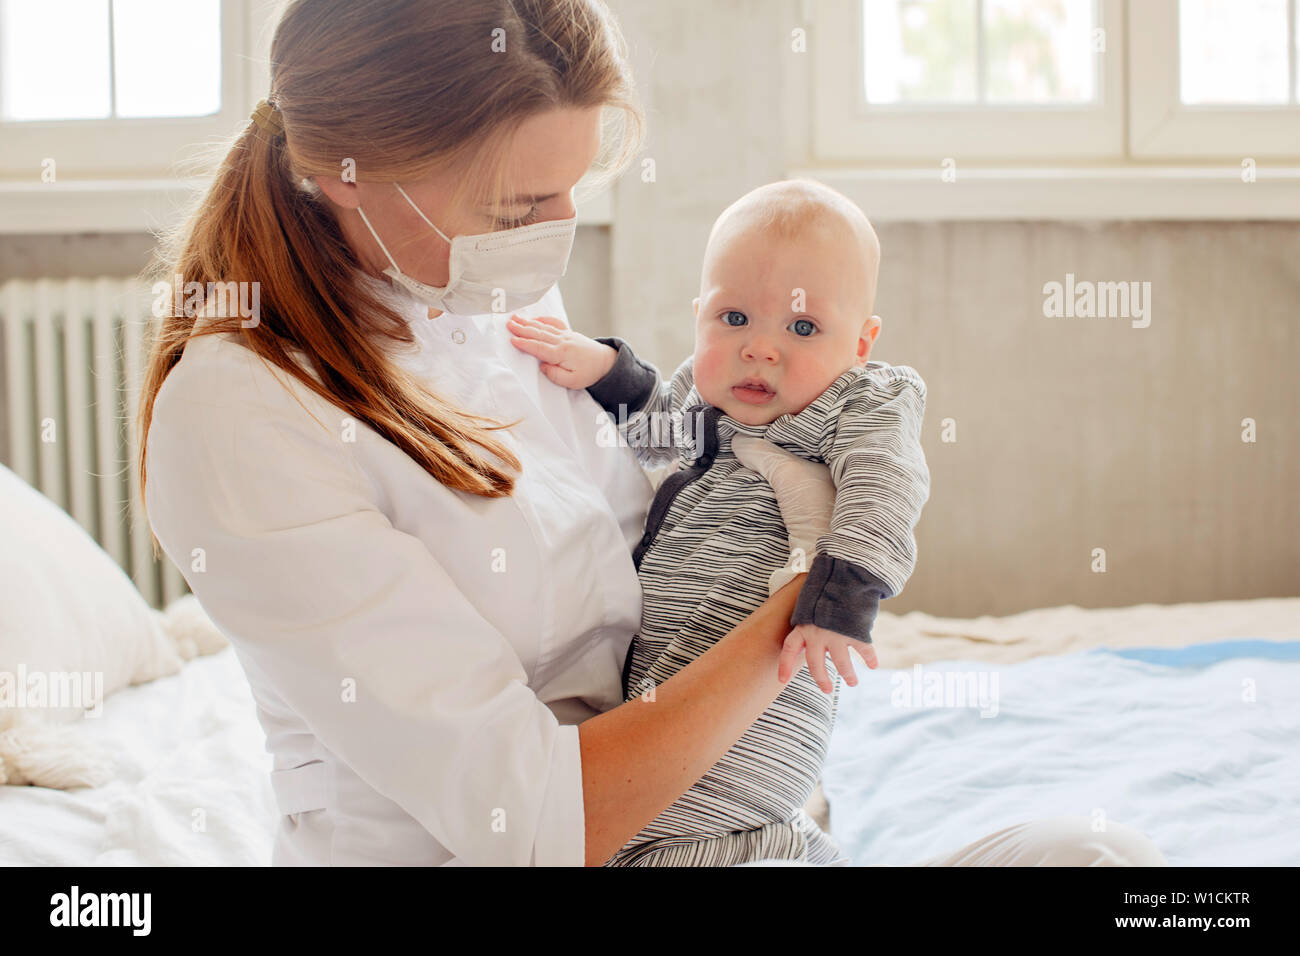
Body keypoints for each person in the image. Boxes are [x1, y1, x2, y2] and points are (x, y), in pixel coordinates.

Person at [136, 0, 1166, 867]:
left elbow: (654, 488)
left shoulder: (473, 300)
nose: (555, 225)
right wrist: (803, 603)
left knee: (1098, 860)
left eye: (572, 187)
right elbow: (540, 817)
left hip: (721, 824)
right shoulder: (241, 417)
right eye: (518, 205)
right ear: (349, 170)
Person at [506, 178, 929, 865]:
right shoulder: (709, 407)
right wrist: (606, 371)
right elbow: (658, 436)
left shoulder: (860, 402)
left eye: (802, 327)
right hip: (664, 687)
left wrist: (839, 600)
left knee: (715, 812)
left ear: (861, 341)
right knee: (666, 829)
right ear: (699, 313)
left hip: (768, 683)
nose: (761, 348)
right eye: (734, 319)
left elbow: (887, 484)